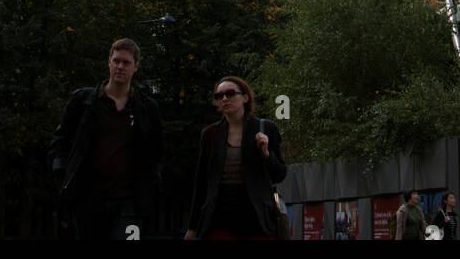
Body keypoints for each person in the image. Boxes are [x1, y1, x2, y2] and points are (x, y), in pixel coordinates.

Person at [48, 37, 163, 240]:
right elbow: (61, 141)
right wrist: (62, 176)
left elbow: (156, 152)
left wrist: (150, 187)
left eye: (126, 62)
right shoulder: (83, 101)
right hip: (89, 200)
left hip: (129, 203)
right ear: (108, 62)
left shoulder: (147, 108)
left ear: (135, 67)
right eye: (116, 61)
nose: (120, 67)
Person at [184, 75, 286, 240]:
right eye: (219, 96)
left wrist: (267, 154)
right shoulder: (210, 134)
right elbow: (202, 182)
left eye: (230, 93)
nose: (224, 99)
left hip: (256, 216)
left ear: (245, 97)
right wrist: (193, 227)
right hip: (218, 216)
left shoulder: (265, 128)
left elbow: (280, 174)